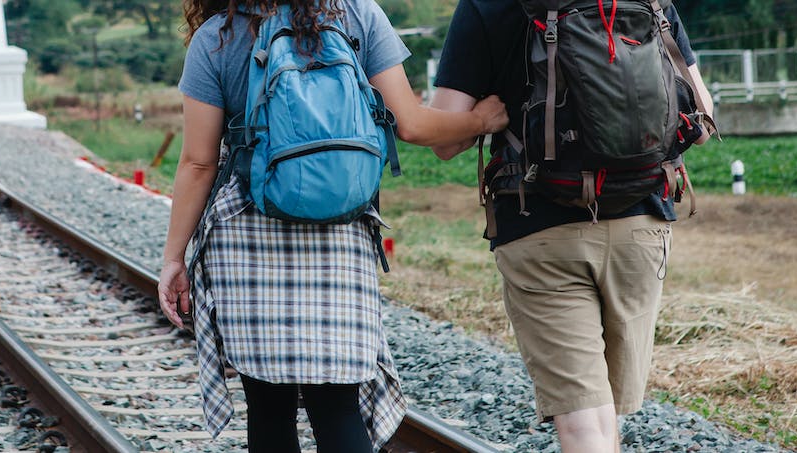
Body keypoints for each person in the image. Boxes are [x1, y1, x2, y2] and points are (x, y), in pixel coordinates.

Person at [156, 1, 507, 452]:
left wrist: (174, 258)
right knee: (337, 402)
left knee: (266, 404)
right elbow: (413, 125)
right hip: (340, 232)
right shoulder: (356, 14)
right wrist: (480, 120)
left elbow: (199, 162)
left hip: (244, 235)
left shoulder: (218, 35)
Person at [429, 1, 712, 452]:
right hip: (640, 224)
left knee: (583, 419)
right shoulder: (649, 1)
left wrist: (485, 120)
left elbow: (445, 139)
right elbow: (699, 121)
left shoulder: (487, 6)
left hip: (538, 228)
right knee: (605, 413)